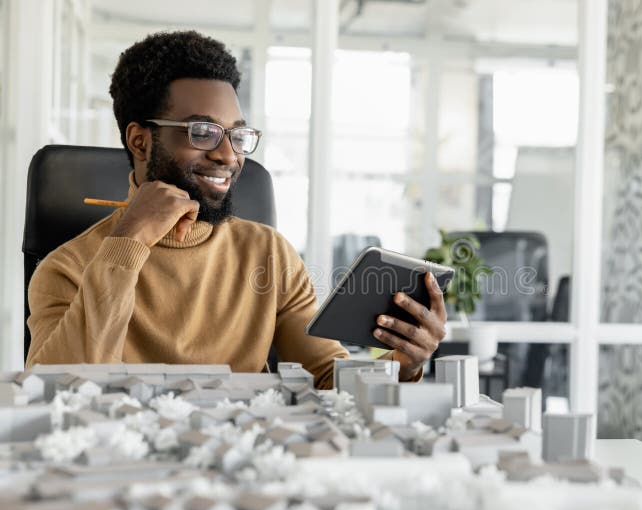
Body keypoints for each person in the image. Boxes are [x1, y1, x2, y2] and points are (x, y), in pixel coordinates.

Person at [25, 31, 446, 388]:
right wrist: (128, 243)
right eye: (203, 132)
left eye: (237, 135)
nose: (229, 155)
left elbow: (326, 379)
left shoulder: (269, 254)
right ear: (140, 142)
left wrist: (404, 364)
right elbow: (59, 393)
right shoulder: (67, 269)